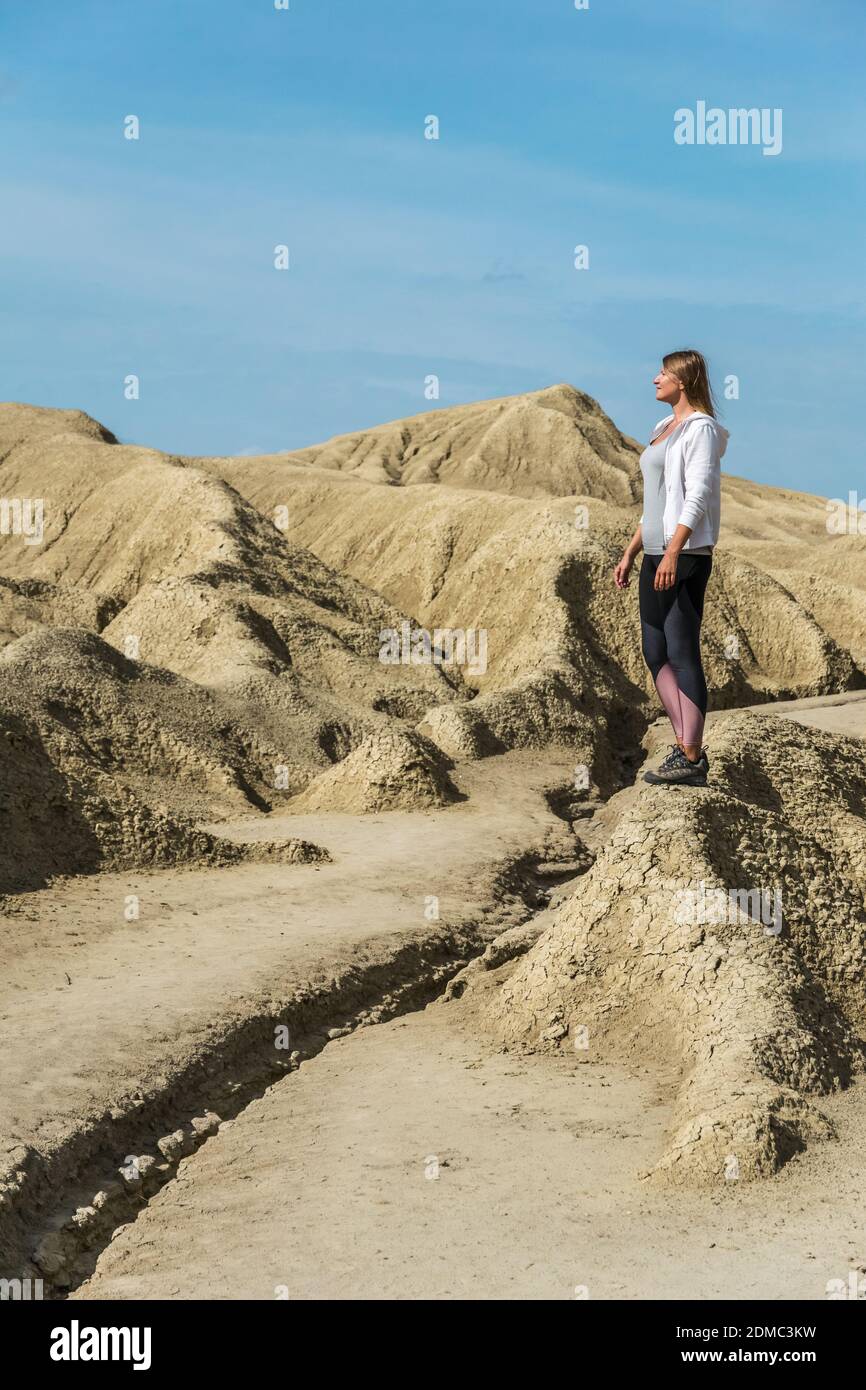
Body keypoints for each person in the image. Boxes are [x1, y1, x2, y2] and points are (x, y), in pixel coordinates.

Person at [614, 349, 728, 786]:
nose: (654, 379)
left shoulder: (700, 429)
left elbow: (697, 495)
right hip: (656, 551)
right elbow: (656, 504)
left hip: (685, 554)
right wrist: (630, 552)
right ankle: (684, 745)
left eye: (662, 373)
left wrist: (677, 551)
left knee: (682, 651)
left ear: (682, 380)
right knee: (654, 650)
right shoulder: (663, 428)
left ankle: (693, 756)